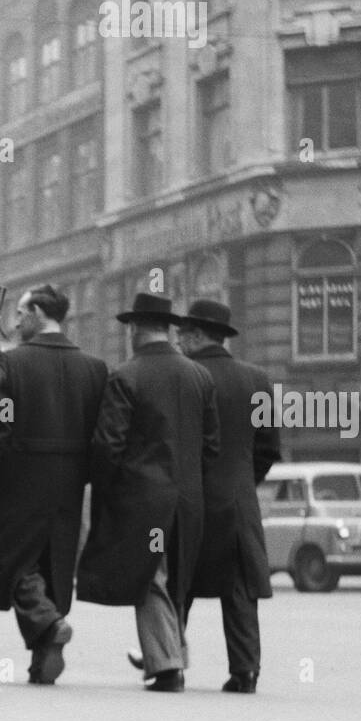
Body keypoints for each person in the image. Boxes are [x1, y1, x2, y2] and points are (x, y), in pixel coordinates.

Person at [0, 285, 107, 683]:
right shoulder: (94, 369)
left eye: (22, 312)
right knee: (54, 561)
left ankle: (47, 622)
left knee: (11, 560)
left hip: (22, 474)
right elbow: (103, 430)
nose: (16, 320)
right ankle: (44, 651)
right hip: (72, 479)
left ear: (40, 312)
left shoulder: (15, 364)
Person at [76, 293, 219, 692]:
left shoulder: (126, 376)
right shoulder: (199, 376)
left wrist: (106, 488)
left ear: (136, 329)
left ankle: (168, 665)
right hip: (188, 499)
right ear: (169, 328)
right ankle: (175, 653)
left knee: (150, 577)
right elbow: (212, 445)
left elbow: (109, 444)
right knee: (175, 577)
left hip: (145, 501)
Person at [174, 300, 281, 693]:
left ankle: (169, 663)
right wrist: (242, 481)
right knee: (239, 589)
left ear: (199, 335)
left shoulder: (186, 375)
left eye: (183, 334)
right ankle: (245, 671)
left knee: (179, 581)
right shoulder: (258, 380)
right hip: (237, 501)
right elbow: (270, 448)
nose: (179, 340)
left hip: (190, 497)